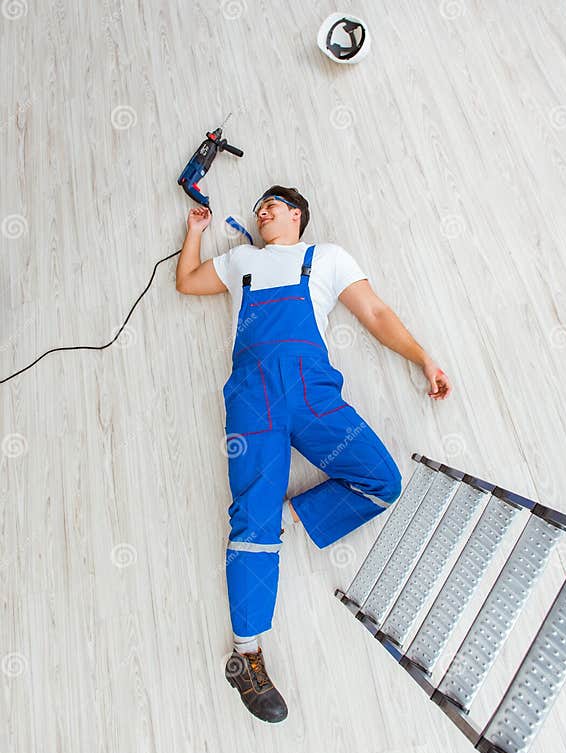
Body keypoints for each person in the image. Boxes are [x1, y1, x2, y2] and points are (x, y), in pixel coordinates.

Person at [176, 185, 452, 723]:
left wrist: (424, 358)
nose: (263, 210)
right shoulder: (239, 260)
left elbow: (373, 311)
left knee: (383, 482)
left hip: (312, 398)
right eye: (258, 206)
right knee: (249, 523)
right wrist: (194, 233)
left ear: (297, 214)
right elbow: (186, 282)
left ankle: (295, 514)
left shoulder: (324, 258)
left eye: (273, 204)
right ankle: (247, 656)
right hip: (254, 399)